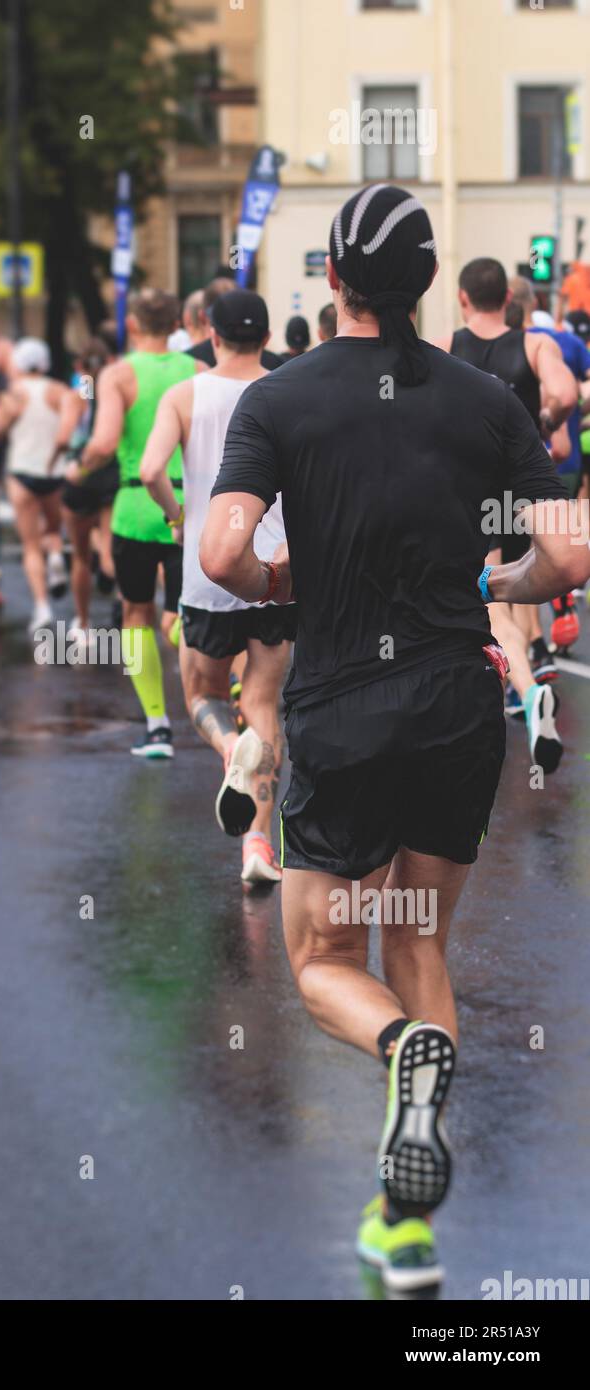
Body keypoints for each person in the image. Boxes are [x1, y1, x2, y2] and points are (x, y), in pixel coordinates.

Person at [200, 185, 590, 1292]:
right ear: (425, 285)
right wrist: (500, 576)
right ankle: (402, 1223)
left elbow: (226, 553)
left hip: (338, 706)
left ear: (331, 277)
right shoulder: (484, 400)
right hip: (457, 706)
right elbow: (565, 558)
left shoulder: (280, 397)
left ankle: (395, 1056)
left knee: (323, 958)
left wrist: (282, 573)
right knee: (416, 943)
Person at [141, 290, 295, 882]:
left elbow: (152, 469)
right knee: (262, 702)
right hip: (274, 571)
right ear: (266, 333)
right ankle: (258, 844)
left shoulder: (184, 395)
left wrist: (177, 512)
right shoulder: (287, 392)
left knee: (203, 695)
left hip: (208, 573)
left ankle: (230, 750)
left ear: (208, 329)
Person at [435, 259, 577, 760]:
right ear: (508, 301)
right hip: (522, 487)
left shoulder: (448, 348)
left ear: (464, 298)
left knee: (490, 604)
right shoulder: (534, 344)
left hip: (470, 488)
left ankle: (524, 689)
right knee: (511, 593)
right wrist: (542, 421)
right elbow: (563, 392)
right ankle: (523, 678)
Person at [73, 289, 199, 757]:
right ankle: (226, 681)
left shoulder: (118, 374)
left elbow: (104, 442)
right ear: (176, 322)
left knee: (135, 612)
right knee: (185, 613)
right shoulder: (197, 369)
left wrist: (78, 467)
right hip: (186, 502)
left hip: (135, 505)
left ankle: (157, 727)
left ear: (132, 326)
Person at [512, 276, 590, 658]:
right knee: (551, 547)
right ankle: (555, 616)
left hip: (526, 468)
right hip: (568, 459)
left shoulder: (523, 349)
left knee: (517, 562)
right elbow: (578, 394)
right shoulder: (565, 345)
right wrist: (575, 417)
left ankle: (533, 647)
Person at [0, 337, 81, 635]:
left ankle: (41, 608)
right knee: (52, 530)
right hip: (53, 473)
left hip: (21, 472)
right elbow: (76, 420)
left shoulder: (12, 394)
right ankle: (55, 556)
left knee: (29, 545)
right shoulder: (61, 391)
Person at [60, 336, 119, 645]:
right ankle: (125, 601)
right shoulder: (115, 393)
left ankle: (83, 624)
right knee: (111, 555)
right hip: (111, 475)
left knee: (81, 557)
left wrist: (56, 455)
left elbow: (66, 433)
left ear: (78, 366)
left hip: (81, 477)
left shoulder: (78, 394)